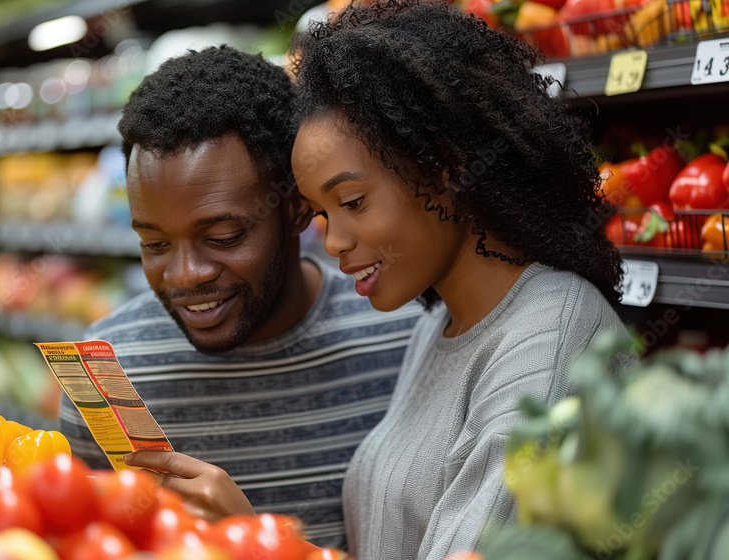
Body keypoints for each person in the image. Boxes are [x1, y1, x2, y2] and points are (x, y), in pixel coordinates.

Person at [128, 3, 634, 559]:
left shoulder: (549, 344)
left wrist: (264, 545)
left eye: (352, 201)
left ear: (444, 170)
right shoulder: (439, 324)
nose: (332, 239)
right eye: (321, 211)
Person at [58, 45, 422, 548]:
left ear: (297, 209)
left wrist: (249, 542)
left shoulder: (404, 339)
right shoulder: (107, 373)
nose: (185, 275)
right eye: (155, 244)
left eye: (224, 237)